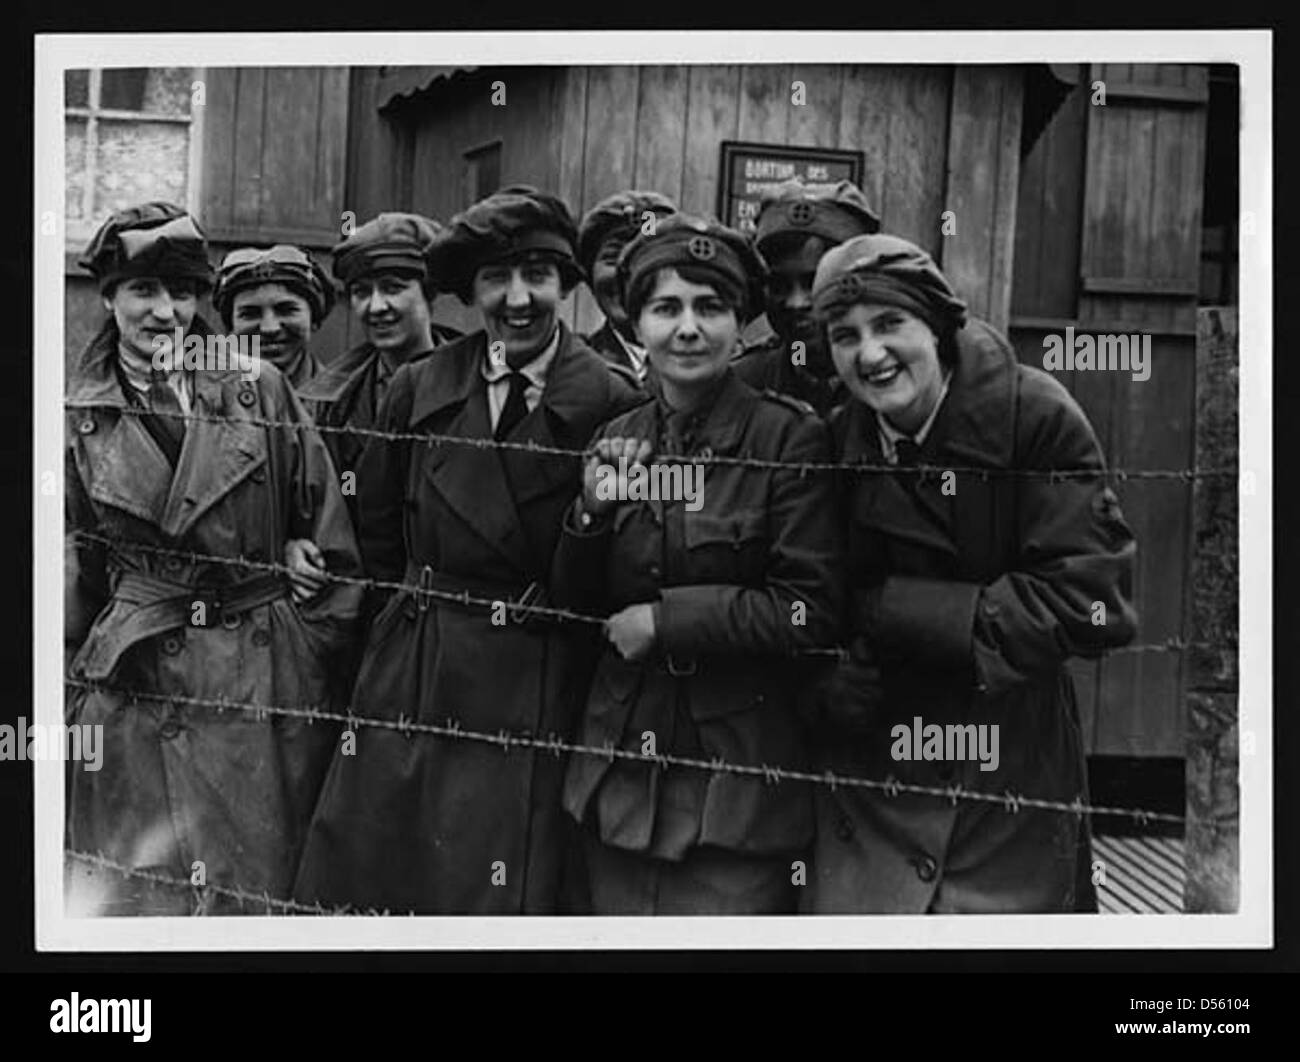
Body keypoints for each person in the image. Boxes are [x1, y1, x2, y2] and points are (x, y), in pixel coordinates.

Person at [293, 186, 643, 914]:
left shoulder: (610, 400)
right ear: (469, 290)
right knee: (385, 873)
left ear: (565, 283)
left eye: (537, 276)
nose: (518, 300)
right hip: (416, 666)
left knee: (499, 887)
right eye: (495, 279)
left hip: (538, 675)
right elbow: (379, 541)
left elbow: (609, 566)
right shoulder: (419, 389)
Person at [805, 233, 1138, 913]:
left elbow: (1093, 601)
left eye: (891, 324)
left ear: (938, 326)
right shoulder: (840, 440)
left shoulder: (1035, 418)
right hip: (877, 774)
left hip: (1004, 773)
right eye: (845, 336)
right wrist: (827, 673)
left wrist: (895, 612)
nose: (870, 354)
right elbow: (817, 595)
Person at [64, 202, 363, 915]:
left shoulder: (257, 387)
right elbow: (73, 567)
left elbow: (329, 534)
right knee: (141, 899)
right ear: (109, 297)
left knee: (253, 894)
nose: (165, 312)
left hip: (259, 685)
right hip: (135, 689)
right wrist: (74, 691)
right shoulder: (76, 418)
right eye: (144, 291)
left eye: (182, 292)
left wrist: (303, 648)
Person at [550, 214, 842, 914]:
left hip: (735, 786)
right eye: (666, 308)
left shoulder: (787, 439)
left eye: (710, 307)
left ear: (740, 324)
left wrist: (666, 621)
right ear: (637, 321)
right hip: (621, 775)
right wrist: (589, 515)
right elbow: (573, 605)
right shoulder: (616, 438)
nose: (688, 328)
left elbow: (811, 610)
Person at [298, 212, 462, 488]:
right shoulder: (330, 402)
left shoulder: (475, 382)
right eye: (362, 292)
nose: (376, 307)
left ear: (429, 293)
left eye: (392, 289)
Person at [732, 179, 880, 417]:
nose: (796, 303)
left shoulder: (891, 380)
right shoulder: (742, 385)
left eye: (814, 283)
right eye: (779, 285)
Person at [576, 190, 677, 384]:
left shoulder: (720, 361)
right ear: (589, 280)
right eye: (612, 257)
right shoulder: (573, 369)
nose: (628, 273)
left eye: (645, 255)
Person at [211, 244, 336, 391]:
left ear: (313, 319)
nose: (269, 328)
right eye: (250, 314)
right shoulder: (205, 396)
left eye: (287, 310)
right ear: (231, 326)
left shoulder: (344, 401)